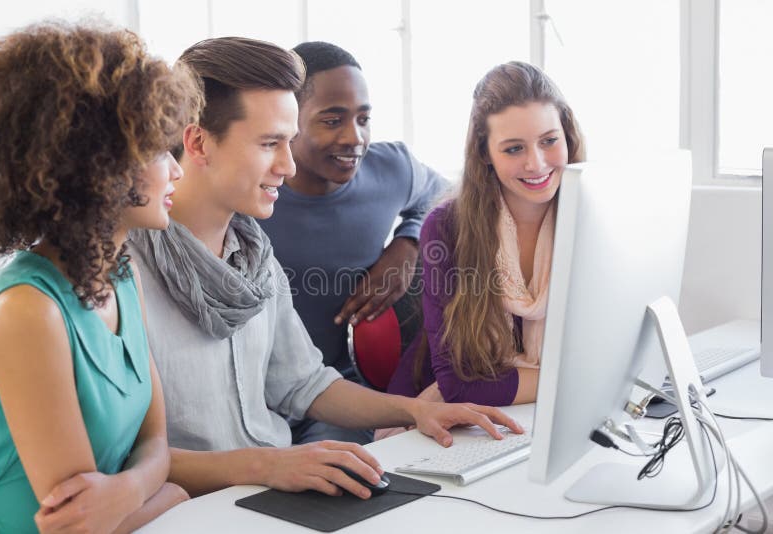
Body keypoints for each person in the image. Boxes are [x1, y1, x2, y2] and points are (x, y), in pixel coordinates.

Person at [127, 36, 520, 501]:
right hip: (194, 508)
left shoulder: (255, 254)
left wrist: (417, 412)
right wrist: (271, 464)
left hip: (269, 490)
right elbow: (124, 458)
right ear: (197, 143)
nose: (288, 165)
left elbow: (304, 382)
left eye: (289, 143)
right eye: (270, 143)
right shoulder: (124, 272)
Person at [0, 22, 202, 533]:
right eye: (158, 150)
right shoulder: (29, 312)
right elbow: (79, 525)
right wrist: (167, 493)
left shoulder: (122, 277)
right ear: (94, 165)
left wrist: (141, 487)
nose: (177, 170)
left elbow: (156, 444)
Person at [257, 41, 447, 444]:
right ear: (290, 119)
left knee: (347, 485)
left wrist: (407, 243)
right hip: (256, 403)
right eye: (332, 120)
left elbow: (448, 196)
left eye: (363, 118)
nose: (354, 137)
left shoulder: (390, 168)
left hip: (337, 395)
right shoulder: (254, 192)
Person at [386, 61, 586, 409]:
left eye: (549, 141)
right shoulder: (447, 227)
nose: (536, 164)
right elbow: (460, 386)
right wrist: (581, 377)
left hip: (544, 407)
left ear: (567, 136)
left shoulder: (592, 217)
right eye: (513, 149)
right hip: (437, 412)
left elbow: (610, 347)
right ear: (484, 153)